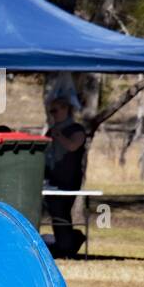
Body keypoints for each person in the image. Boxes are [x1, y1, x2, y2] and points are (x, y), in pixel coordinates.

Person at [43, 96, 88, 257]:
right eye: (51, 111)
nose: (52, 114)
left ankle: (69, 243)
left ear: (65, 109)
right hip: (51, 180)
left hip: (68, 180)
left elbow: (73, 146)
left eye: (55, 110)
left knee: (61, 213)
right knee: (57, 214)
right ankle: (64, 245)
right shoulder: (51, 130)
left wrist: (59, 136)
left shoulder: (76, 129)